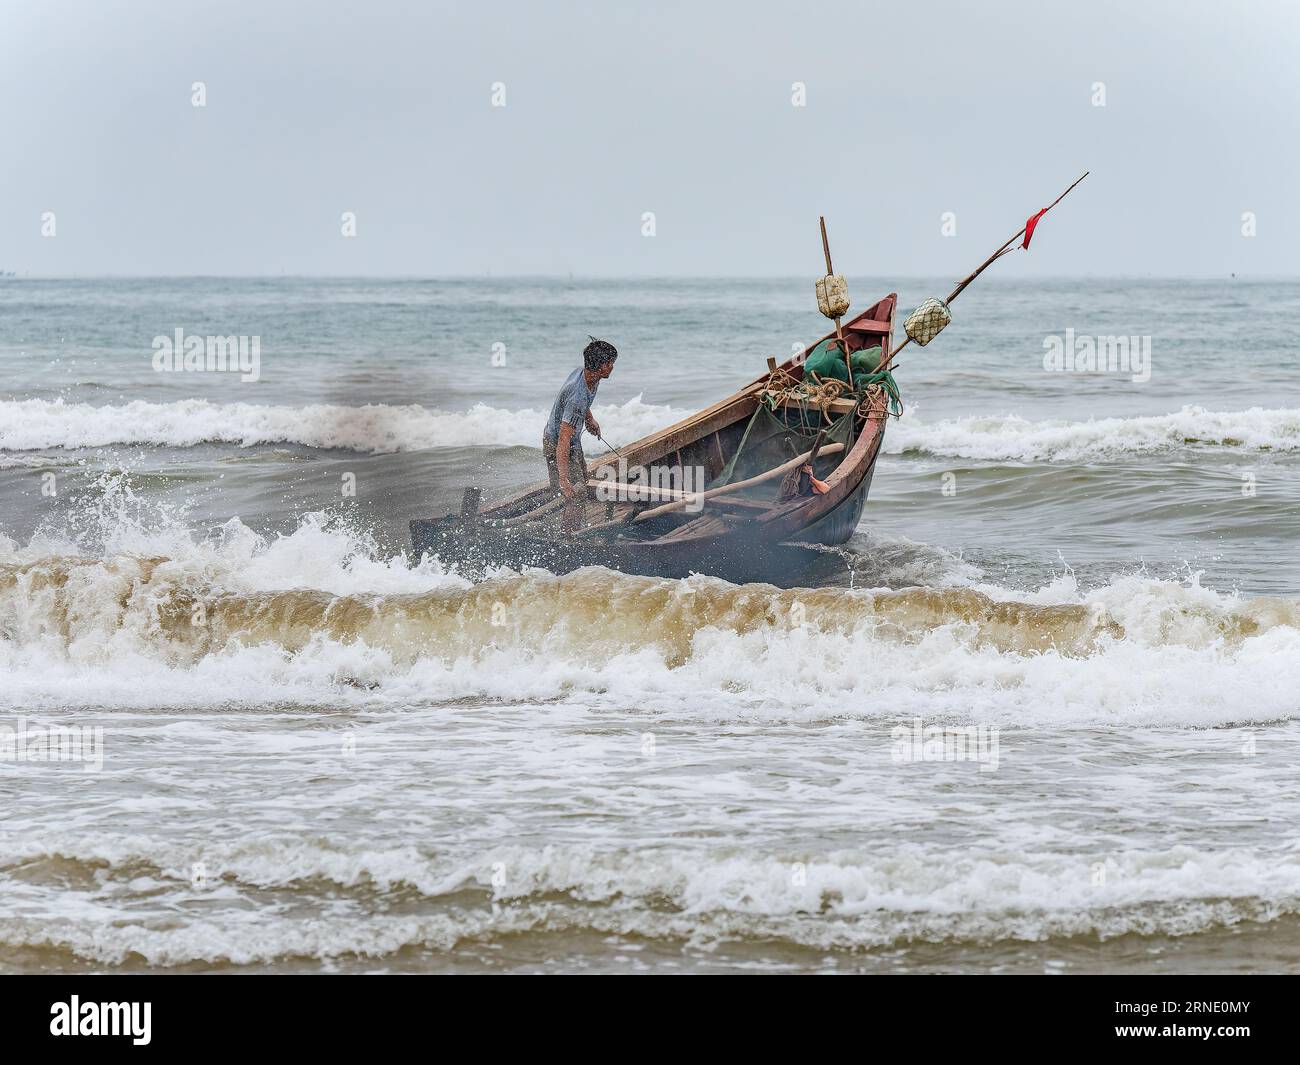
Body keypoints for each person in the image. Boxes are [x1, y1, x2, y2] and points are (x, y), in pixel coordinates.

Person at [543, 337, 618, 534]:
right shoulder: (577, 396)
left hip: (570, 441)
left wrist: (589, 419)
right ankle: (569, 537)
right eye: (611, 363)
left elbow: (582, 403)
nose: (612, 367)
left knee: (581, 483)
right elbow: (563, 440)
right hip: (558, 443)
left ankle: (571, 526)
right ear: (602, 366)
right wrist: (564, 478)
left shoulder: (587, 375)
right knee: (573, 494)